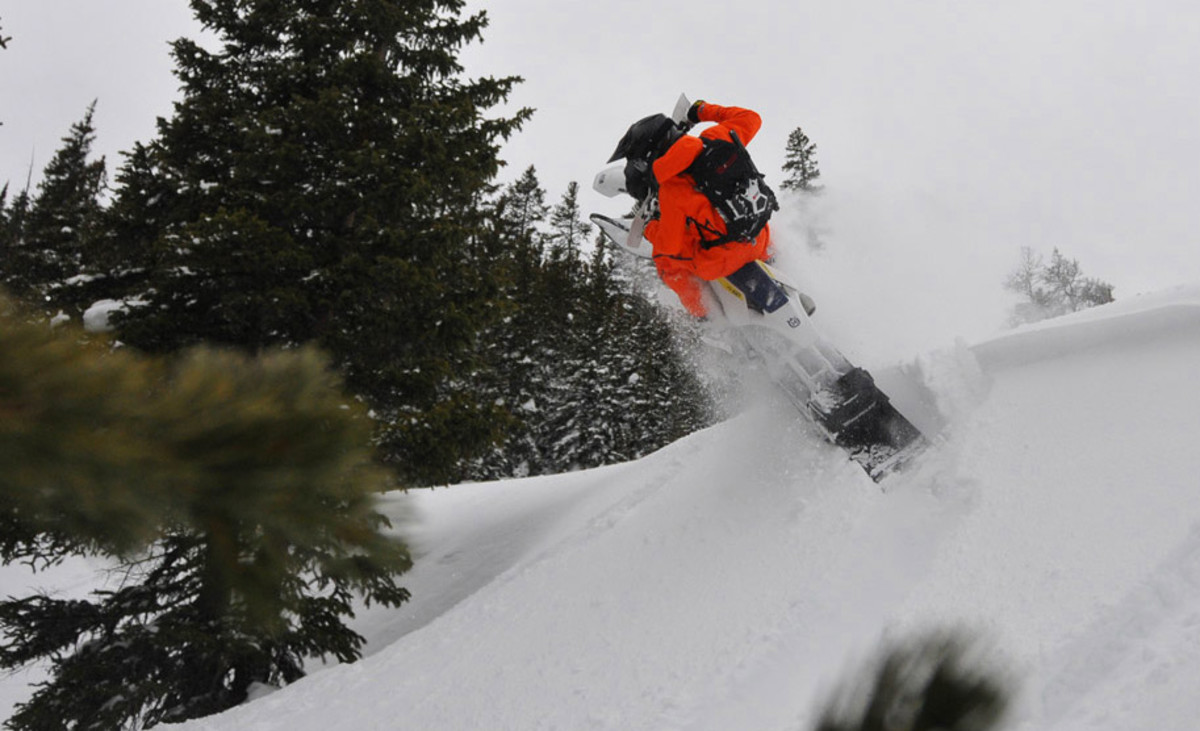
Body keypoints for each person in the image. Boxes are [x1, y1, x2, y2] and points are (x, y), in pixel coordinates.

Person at [607, 100, 773, 318]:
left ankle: (707, 317)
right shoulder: (716, 137)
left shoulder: (672, 187)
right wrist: (701, 111)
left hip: (723, 260)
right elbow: (752, 118)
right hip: (761, 236)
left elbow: (669, 245)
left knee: (665, 259)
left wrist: (650, 227)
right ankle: (771, 261)